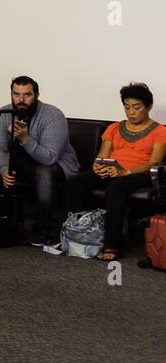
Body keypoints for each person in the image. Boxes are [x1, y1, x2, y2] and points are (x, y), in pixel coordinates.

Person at [63, 82, 166, 261]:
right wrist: (98, 166)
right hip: (113, 170)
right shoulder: (114, 128)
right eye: (127, 107)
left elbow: (154, 162)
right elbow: (102, 155)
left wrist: (125, 172)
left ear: (148, 107)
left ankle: (112, 245)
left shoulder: (160, 131)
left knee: (115, 188)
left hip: (140, 174)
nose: (131, 112)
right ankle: (78, 232)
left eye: (136, 107)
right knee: (74, 183)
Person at [0, 75, 79, 241]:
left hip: (55, 165)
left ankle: (42, 229)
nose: (21, 100)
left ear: (37, 95)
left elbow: (50, 157)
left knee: (45, 172)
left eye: (27, 95)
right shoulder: (3, 114)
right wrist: (3, 169)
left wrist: (25, 139)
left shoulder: (53, 116)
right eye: (16, 94)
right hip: (20, 163)